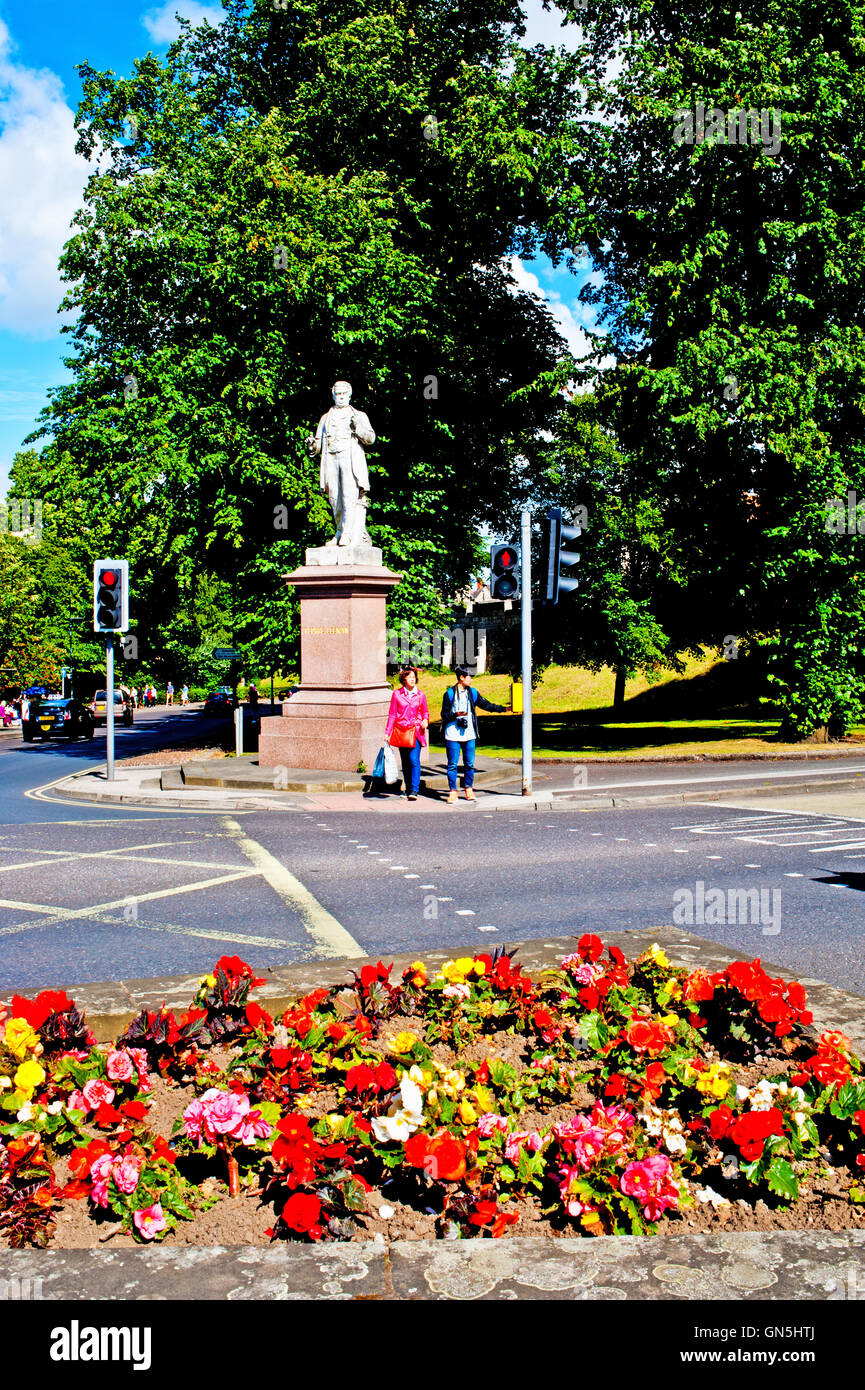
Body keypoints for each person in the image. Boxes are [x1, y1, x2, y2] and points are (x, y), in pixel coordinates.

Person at [307, 380, 375, 548]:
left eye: (344, 394)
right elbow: (317, 445)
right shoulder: (325, 418)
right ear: (333, 396)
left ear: (349, 395)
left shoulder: (359, 416)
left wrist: (357, 428)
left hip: (349, 458)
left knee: (348, 495)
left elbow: (370, 438)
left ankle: (347, 533)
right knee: (334, 497)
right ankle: (339, 530)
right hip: (331, 458)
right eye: (338, 394)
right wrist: (311, 445)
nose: (341, 397)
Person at [440, 664, 507, 804]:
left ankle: (468, 789)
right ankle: (453, 792)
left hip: (469, 734)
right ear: (461, 678)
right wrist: (456, 715)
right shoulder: (449, 694)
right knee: (452, 764)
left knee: (469, 763)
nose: (471, 679)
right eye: (469, 677)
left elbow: (487, 705)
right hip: (452, 734)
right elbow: (444, 715)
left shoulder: (473, 692)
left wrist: (504, 709)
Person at [384, 664, 429, 801]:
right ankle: (408, 787)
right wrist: (387, 732)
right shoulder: (396, 694)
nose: (412, 679)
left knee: (414, 760)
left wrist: (425, 720)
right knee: (405, 761)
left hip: (415, 731)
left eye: (414, 677)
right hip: (402, 732)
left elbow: (425, 712)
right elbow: (392, 714)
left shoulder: (420, 695)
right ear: (404, 679)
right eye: (409, 677)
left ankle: (414, 790)